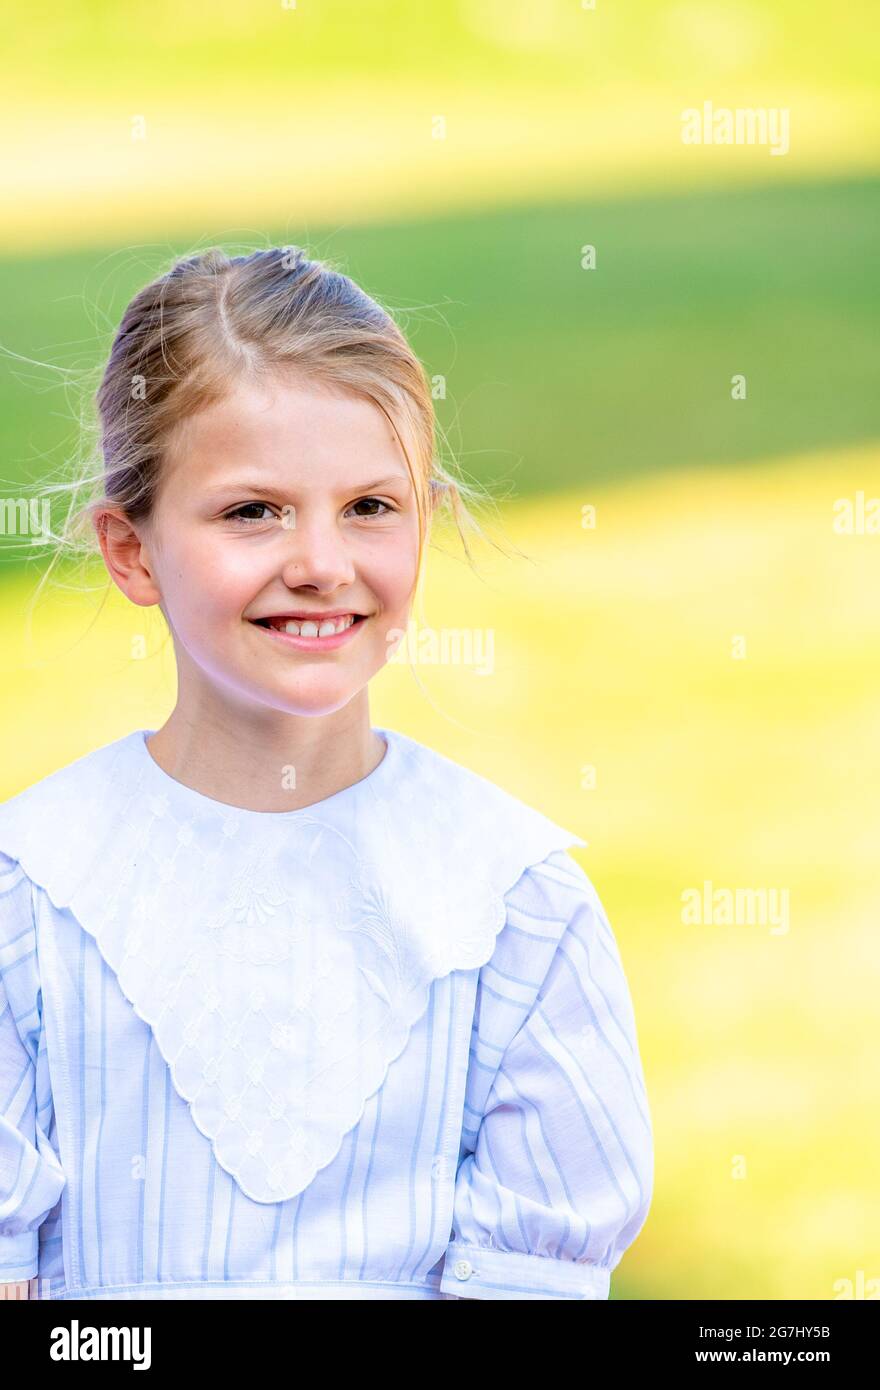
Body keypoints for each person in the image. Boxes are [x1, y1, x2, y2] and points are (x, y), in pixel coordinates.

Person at [0, 247, 652, 1300]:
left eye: (369, 507)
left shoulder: (514, 912)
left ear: (424, 524)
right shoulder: (28, 899)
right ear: (132, 550)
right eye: (252, 510)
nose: (320, 561)